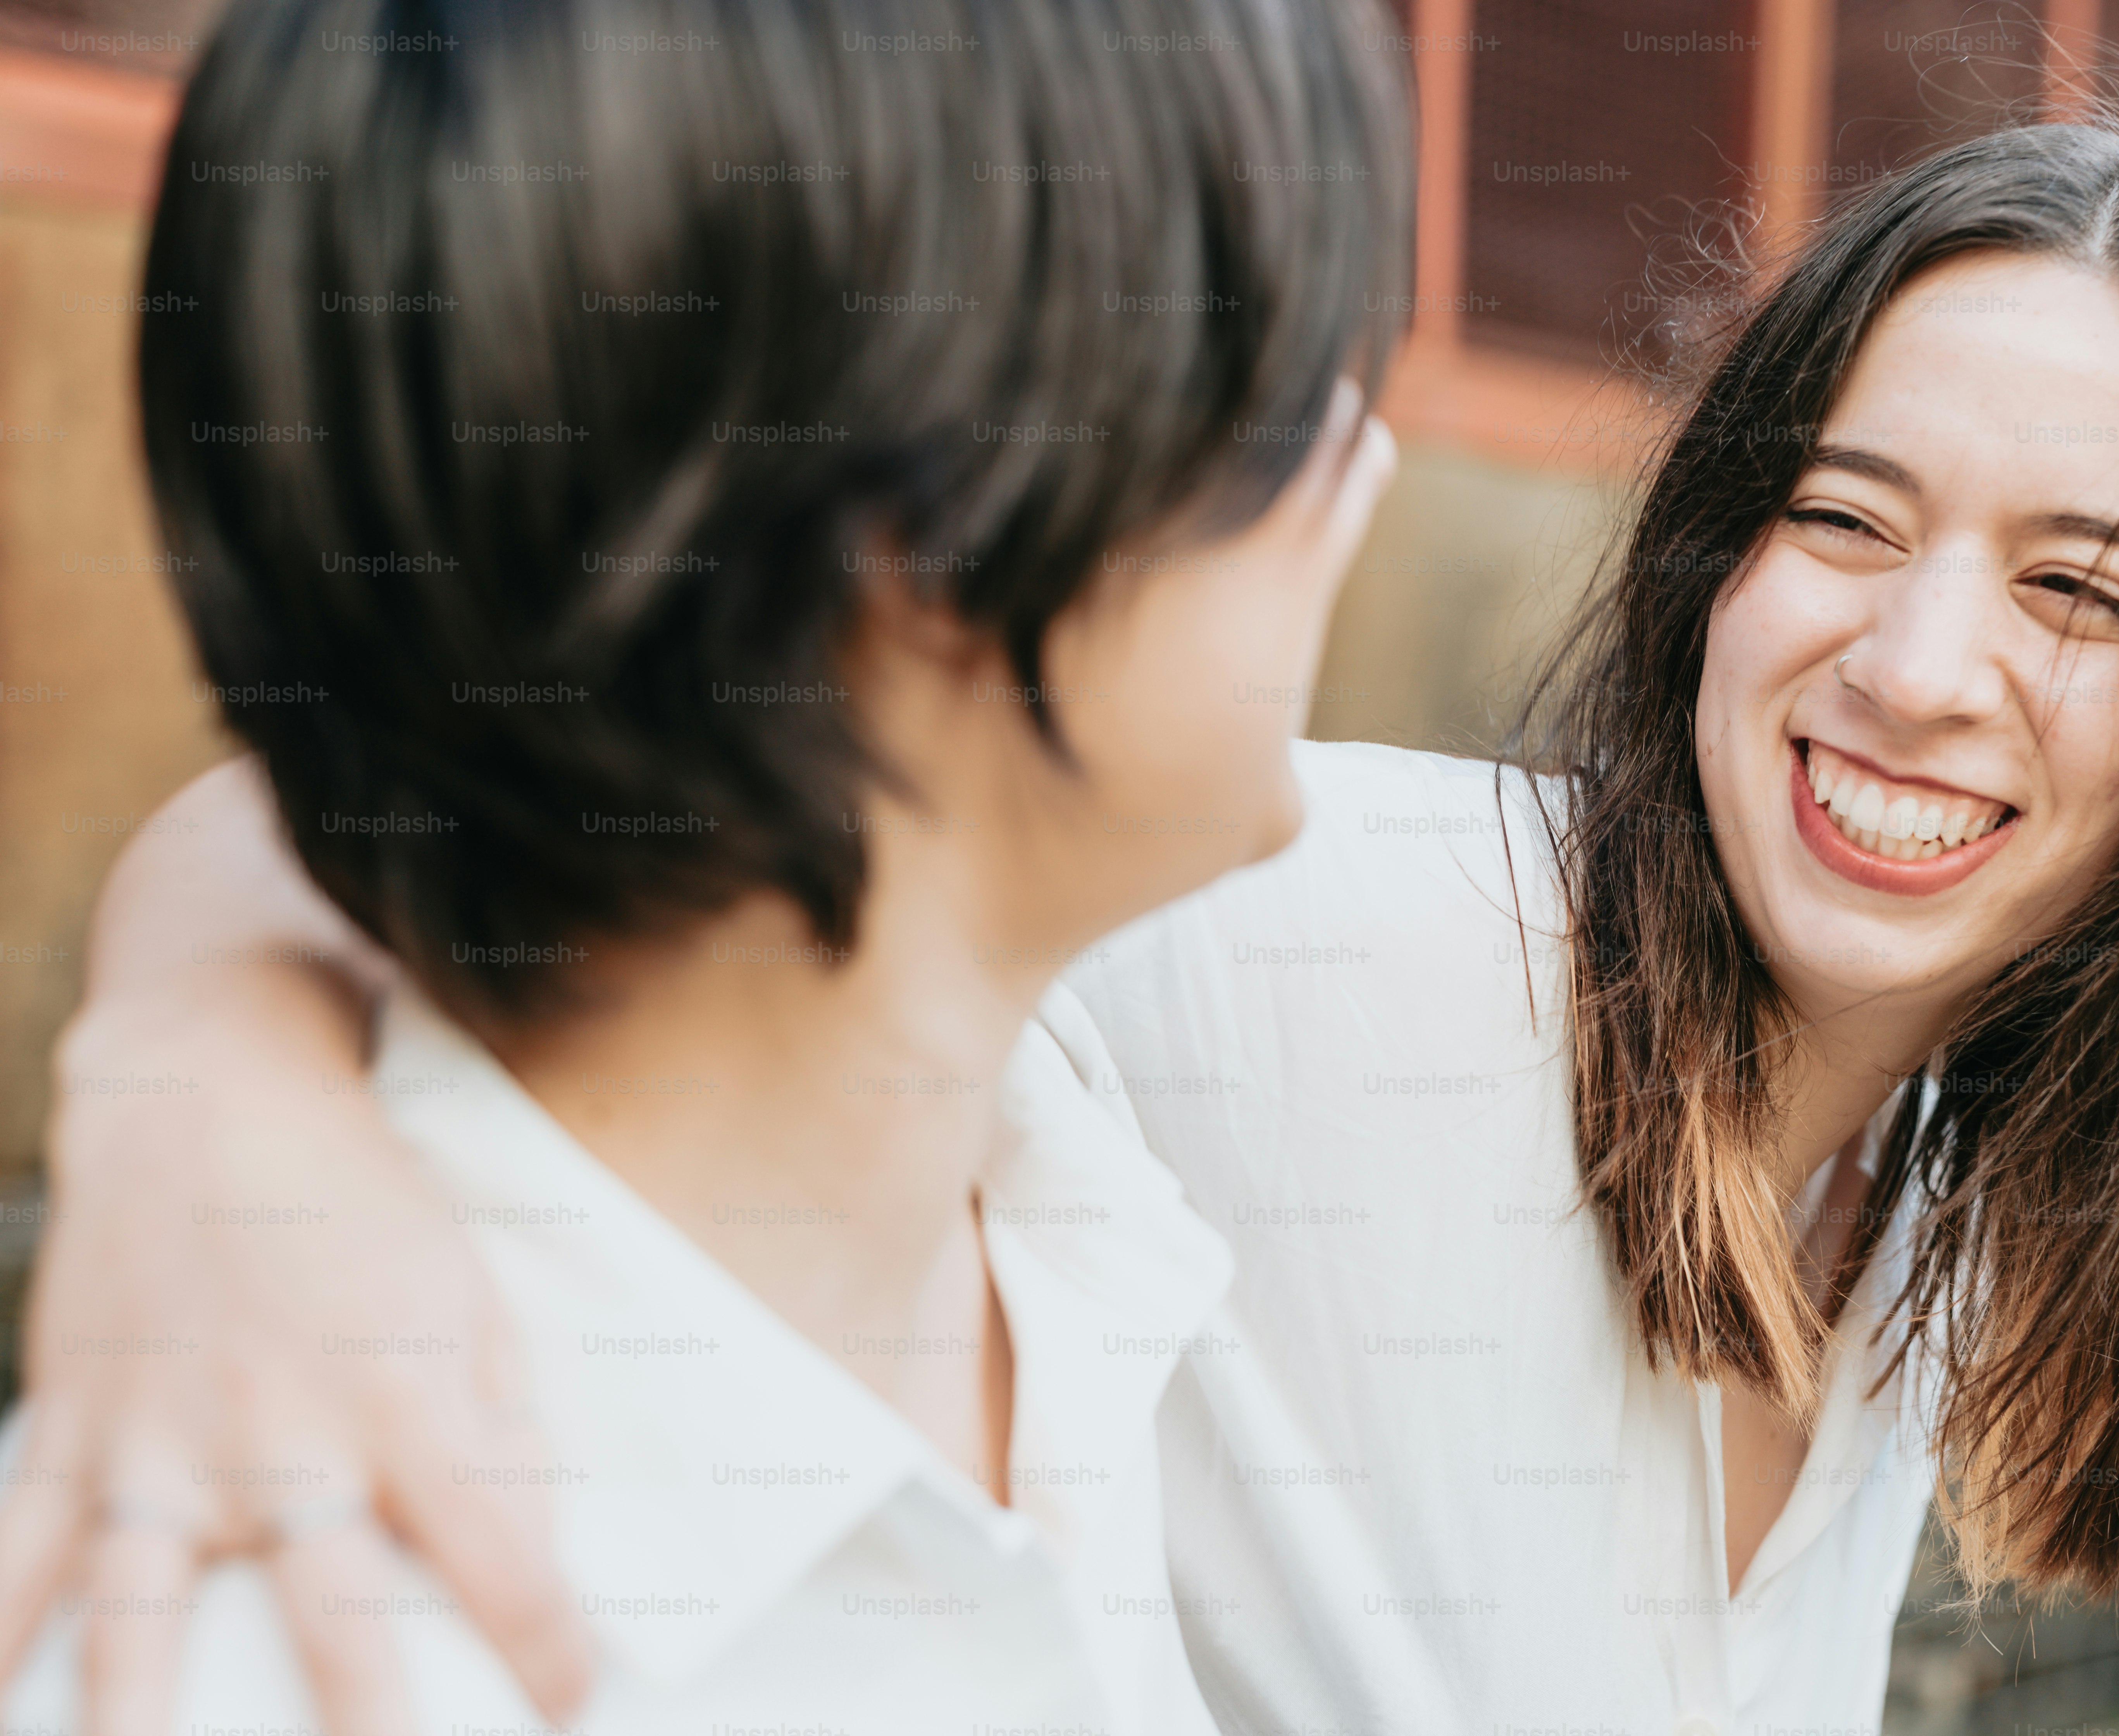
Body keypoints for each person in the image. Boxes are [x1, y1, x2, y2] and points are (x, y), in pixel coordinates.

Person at [4, 107, 2119, 1736]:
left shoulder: (1927, 1204)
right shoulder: (1331, 921)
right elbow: (432, 792)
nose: (1921, 666)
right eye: (1848, 521)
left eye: (2083, 589)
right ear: (1717, 556)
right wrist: (193, 1109)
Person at [0, 0, 1408, 1732]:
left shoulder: (1033, 1222)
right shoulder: (263, 1653)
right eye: (1286, 385)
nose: (1365, 466)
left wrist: (192, 1045)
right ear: (927, 540)